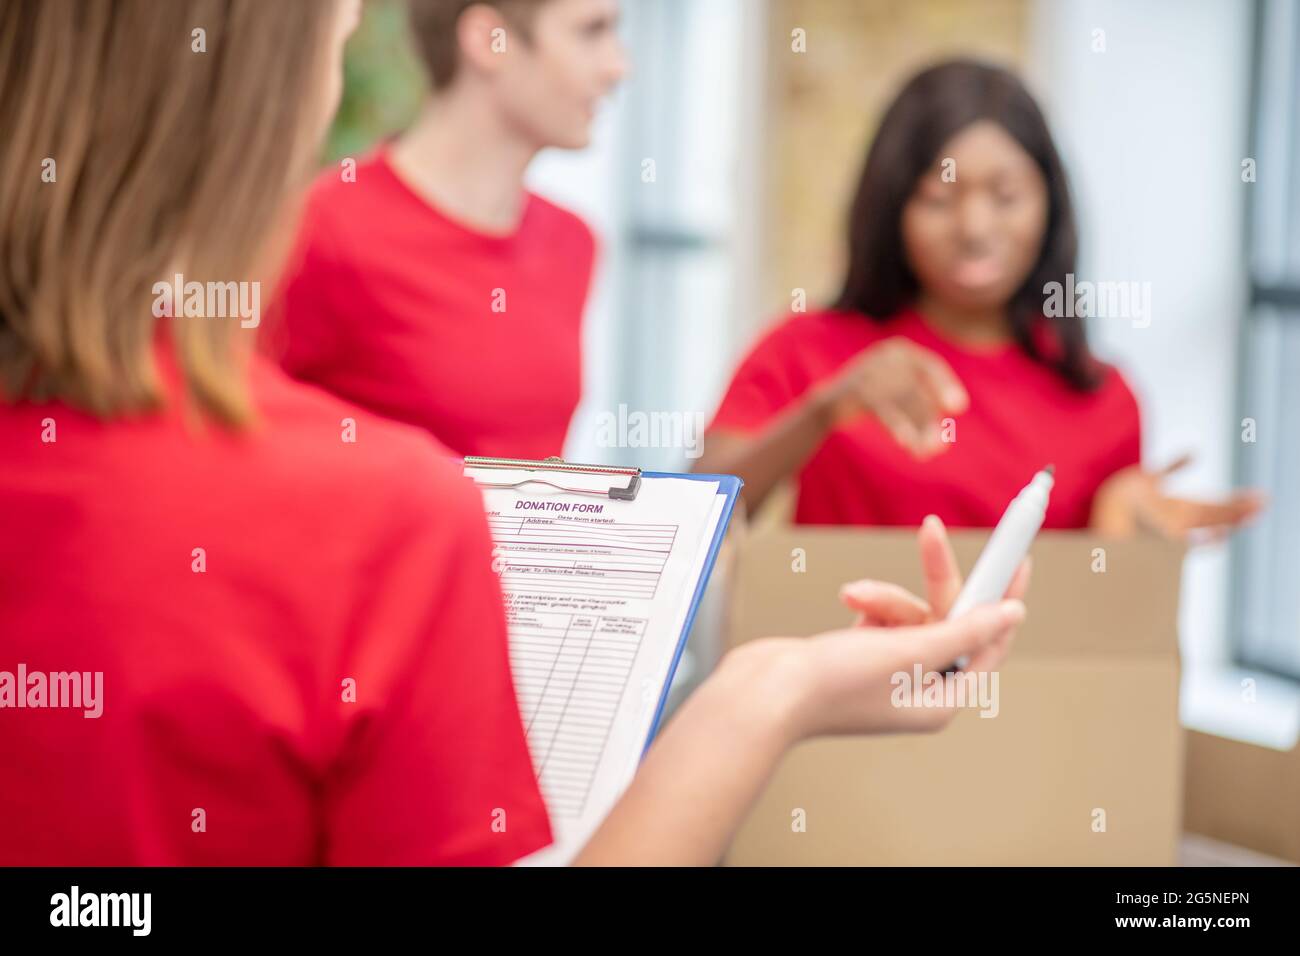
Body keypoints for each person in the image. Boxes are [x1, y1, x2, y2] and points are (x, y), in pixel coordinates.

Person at [0, 0, 1023, 867]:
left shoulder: (569, 252)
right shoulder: (371, 487)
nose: (618, 64)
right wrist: (770, 690)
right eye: (591, 30)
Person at [695, 60, 1262, 540]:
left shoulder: (1105, 399)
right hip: (836, 669)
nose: (974, 227)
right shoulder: (809, 348)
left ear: (1050, 204)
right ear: (891, 207)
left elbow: (1093, 606)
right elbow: (697, 515)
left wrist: (1124, 521)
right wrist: (822, 412)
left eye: (1007, 196)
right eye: (940, 198)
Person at [263, 0, 627, 459]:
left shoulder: (574, 242)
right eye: (591, 32)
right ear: (486, 41)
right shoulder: (320, 229)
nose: (618, 68)